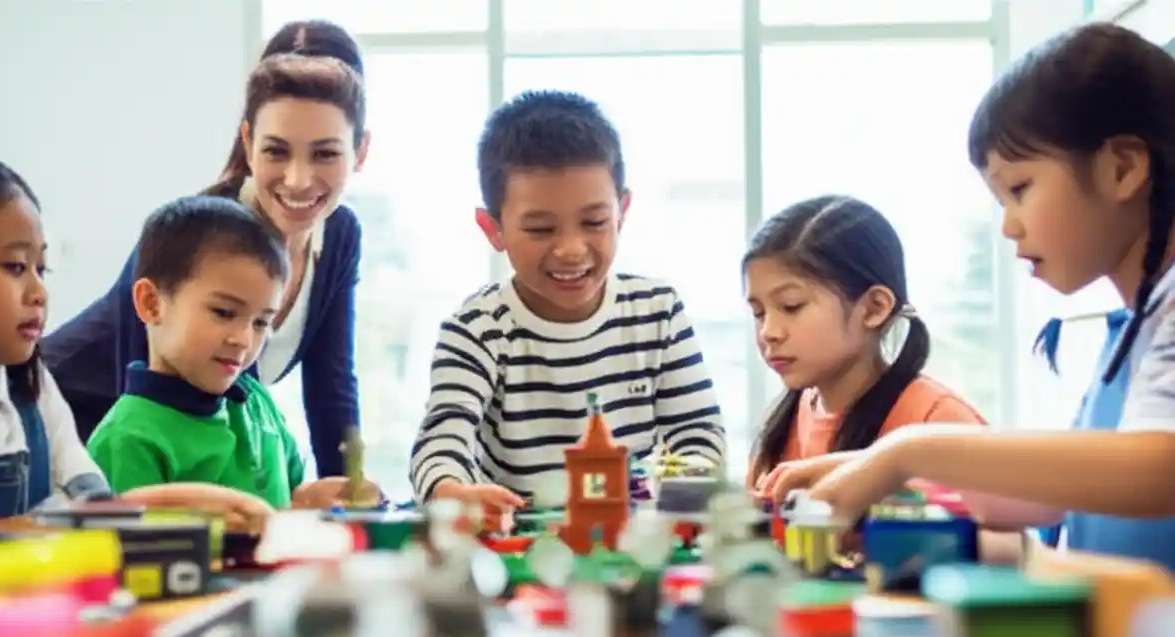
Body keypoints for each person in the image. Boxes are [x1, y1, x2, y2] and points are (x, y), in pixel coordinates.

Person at [770, 24, 1175, 571]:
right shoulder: (1138, 325)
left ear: (1123, 168)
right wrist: (879, 469)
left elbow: (1156, 471)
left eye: (1020, 189)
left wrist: (906, 451)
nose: (1009, 226)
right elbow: (1064, 497)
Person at [0, 121, 268, 527]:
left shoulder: (32, 384)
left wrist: (185, 502)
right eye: (16, 267)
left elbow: (91, 502)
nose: (39, 293)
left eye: (42, 268)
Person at [43, 20, 370, 479]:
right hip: (74, 419)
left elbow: (331, 386)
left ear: (359, 149)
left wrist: (353, 497)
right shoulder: (201, 229)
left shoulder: (340, 234)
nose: (298, 179)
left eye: (326, 153)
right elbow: (141, 401)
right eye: (278, 150)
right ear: (250, 141)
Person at [410, 90, 726, 512]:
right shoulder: (477, 330)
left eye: (594, 222)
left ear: (623, 211)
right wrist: (451, 491)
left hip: (634, 541)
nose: (572, 249)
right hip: (522, 548)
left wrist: (672, 491)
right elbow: (444, 438)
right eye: (541, 229)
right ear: (493, 229)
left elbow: (699, 436)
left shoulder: (658, 312)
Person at [87, 196, 376, 510]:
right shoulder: (126, 440)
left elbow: (287, 501)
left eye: (262, 322)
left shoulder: (258, 403)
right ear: (152, 303)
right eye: (224, 312)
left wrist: (310, 500)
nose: (243, 339)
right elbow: (137, 549)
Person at [745, 196, 984, 490]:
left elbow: (998, 532)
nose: (769, 331)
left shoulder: (939, 421)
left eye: (791, 306)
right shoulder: (779, 430)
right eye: (758, 313)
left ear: (874, 307)